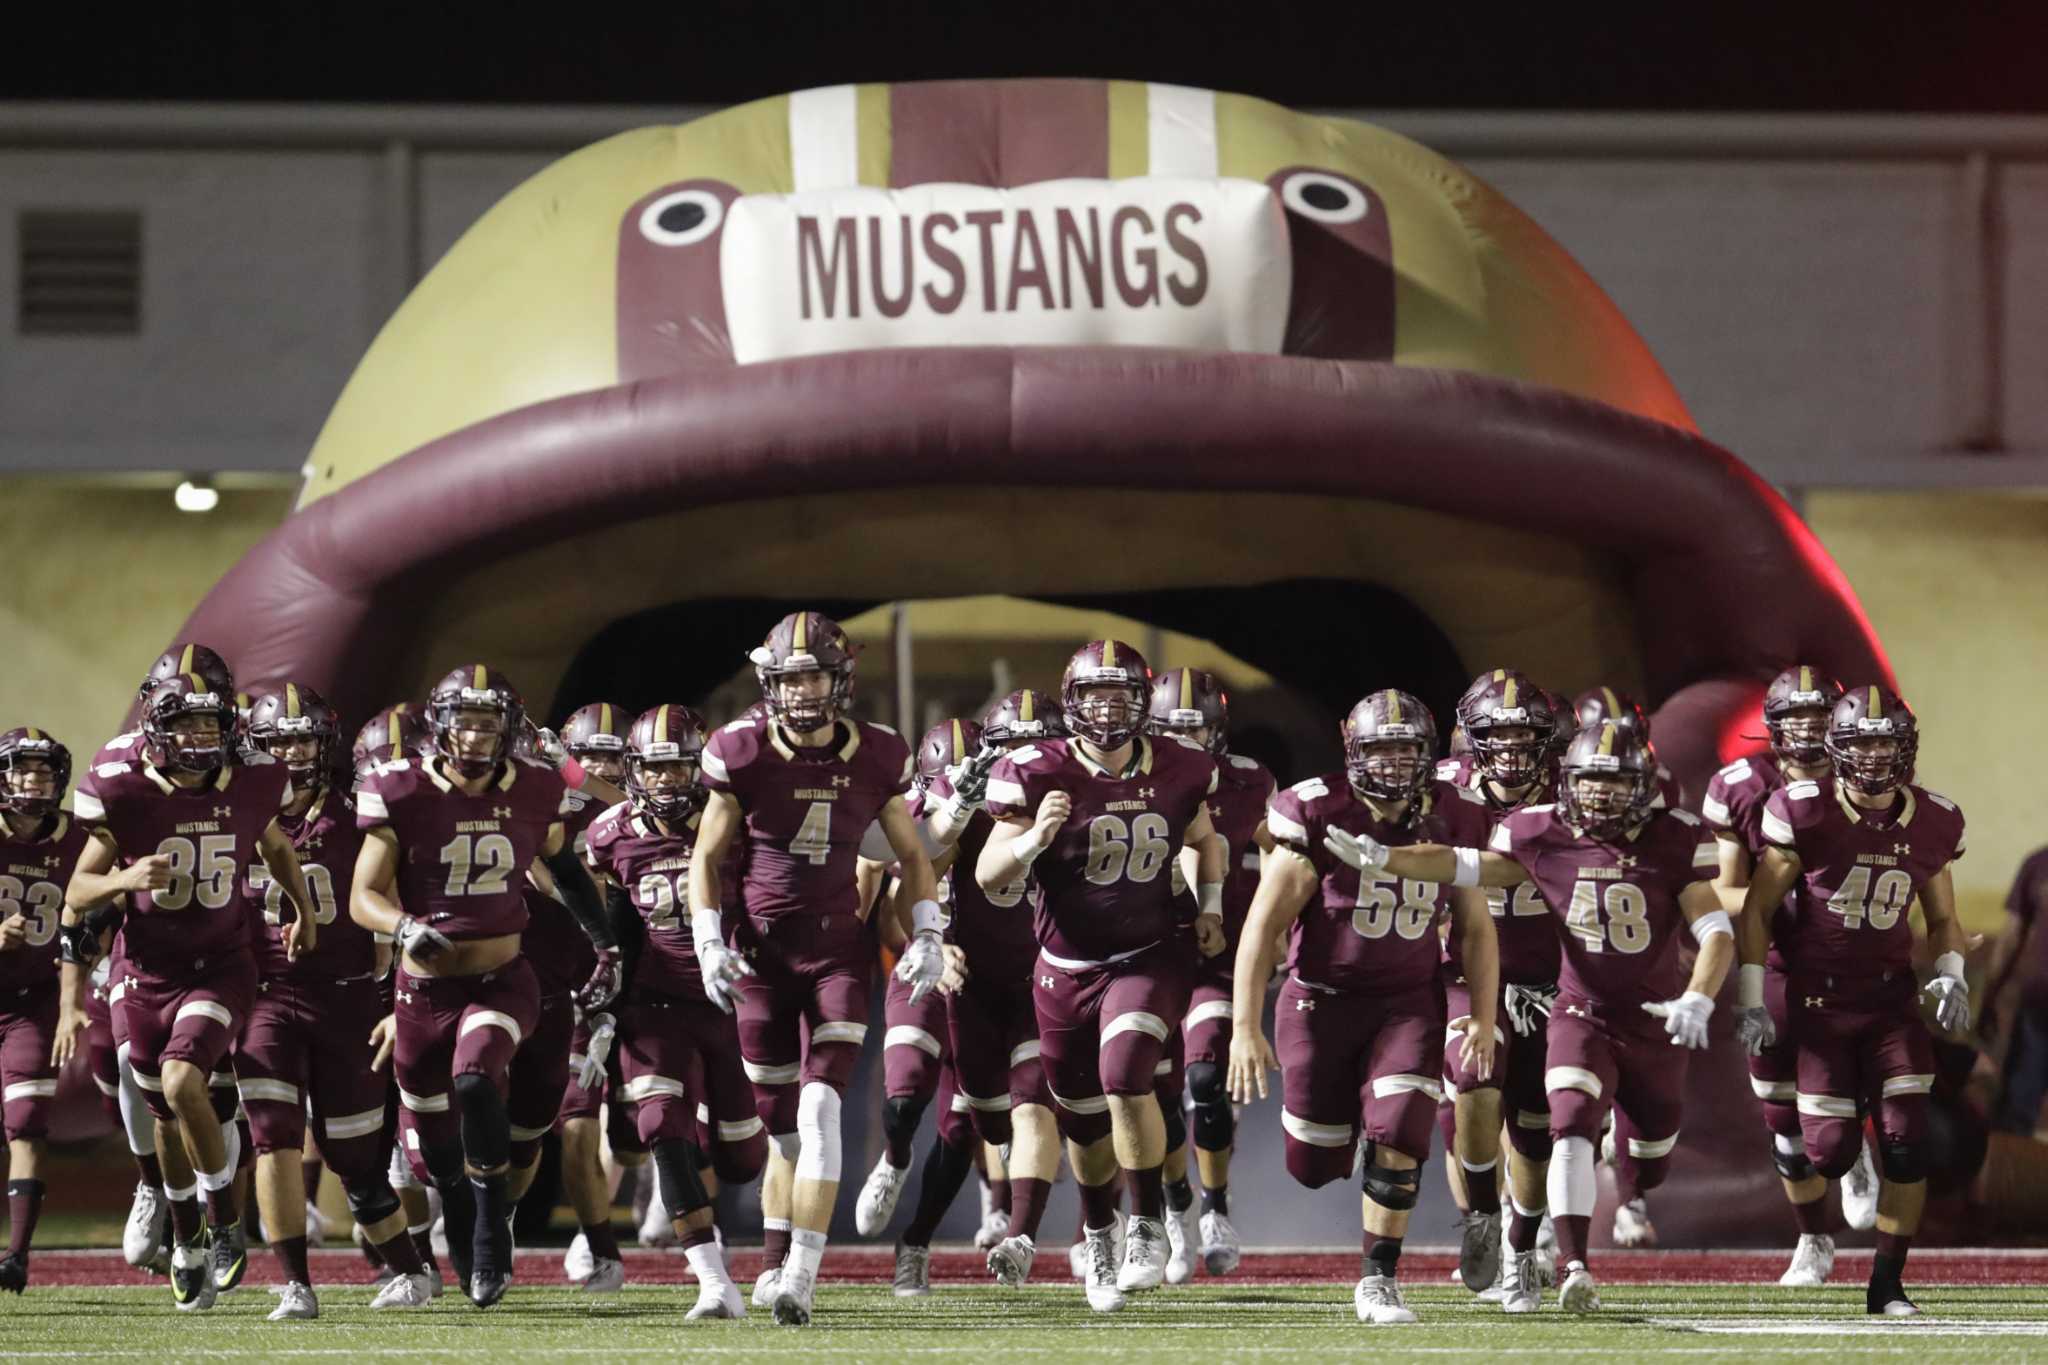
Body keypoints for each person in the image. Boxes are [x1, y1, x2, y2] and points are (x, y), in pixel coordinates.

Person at [1346, 720, 1729, 1314]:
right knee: (1555, 1115)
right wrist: (1387, 858)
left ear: (1644, 787)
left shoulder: (1674, 839)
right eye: (1591, 781)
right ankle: (1538, 1250)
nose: (1601, 795)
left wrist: (1700, 996)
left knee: (1639, 1155)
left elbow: (1716, 930)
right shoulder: (1537, 829)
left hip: (1641, 1011)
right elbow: (1464, 864)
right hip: (1574, 1004)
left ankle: (1552, 1225)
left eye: (1616, 782)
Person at [688, 612, 938, 1327]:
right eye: (790, 676)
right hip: (760, 952)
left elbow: (912, 853)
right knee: (783, 1129)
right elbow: (705, 856)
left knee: (821, 1106)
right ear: (770, 681)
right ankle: (773, 1258)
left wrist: (926, 928)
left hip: (836, 948)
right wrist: (708, 937)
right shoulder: (739, 750)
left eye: (813, 675)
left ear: (839, 680)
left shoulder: (878, 753)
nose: (801, 690)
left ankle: (800, 1273)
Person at [350, 665, 620, 1308]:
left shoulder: (534, 785)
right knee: (438, 1160)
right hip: (422, 993)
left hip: (502, 980)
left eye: (487, 722)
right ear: (439, 726)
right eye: (464, 721)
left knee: (476, 1077)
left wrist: (604, 942)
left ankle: (493, 1242)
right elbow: (363, 895)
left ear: (508, 728)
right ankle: (472, 1234)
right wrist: (403, 925)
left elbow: (566, 868)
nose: (474, 735)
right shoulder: (402, 788)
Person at [1229, 689, 1498, 1325]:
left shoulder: (1453, 814)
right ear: (1354, 753)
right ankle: (1351, 1129)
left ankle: (1379, 1279)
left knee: (1403, 1128)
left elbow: (1476, 928)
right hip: (1321, 1003)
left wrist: (1483, 1017)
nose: (1398, 764)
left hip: (1408, 1000)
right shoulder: (1320, 811)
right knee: (1314, 1165)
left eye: (1409, 751)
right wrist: (1244, 1024)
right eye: (1384, 750)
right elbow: (1262, 926)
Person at [979, 640, 1227, 1313]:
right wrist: (1034, 839)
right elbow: (988, 871)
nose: (1110, 709)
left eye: (1122, 695)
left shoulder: (1180, 767)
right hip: (1063, 969)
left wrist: (1208, 906)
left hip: (1149, 952)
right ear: (1074, 702)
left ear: (1142, 703)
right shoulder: (1034, 770)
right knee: (1084, 1126)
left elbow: (1208, 839)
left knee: (1126, 1073)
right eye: (1096, 696)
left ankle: (1147, 1223)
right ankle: (1100, 1233)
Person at [60, 674, 315, 1312]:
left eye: (210, 725)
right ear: (158, 731)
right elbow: (76, 893)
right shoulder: (125, 789)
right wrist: (127, 876)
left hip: (222, 961)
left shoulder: (253, 779)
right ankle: (186, 1235)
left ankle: (224, 1216)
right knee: (166, 1119)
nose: (202, 738)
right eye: (187, 727)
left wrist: (302, 908)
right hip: (143, 969)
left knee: (181, 1083)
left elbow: (275, 843)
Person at [1735, 685, 1970, 1316]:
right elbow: (1756, 908)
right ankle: (1846, 1163)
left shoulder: (1936, 819)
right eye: (1861, 742)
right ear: (1837, 750)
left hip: (1890, 1001)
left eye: (1885, 742)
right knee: (1829, 1151)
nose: (1873, 756)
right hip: (1820, 1007)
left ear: (1906, 749)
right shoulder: (1803, 810)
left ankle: (1887, 1285)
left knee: (1908, 1141)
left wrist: (1951, 972)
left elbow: (1943, 916)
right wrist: (1753, 997)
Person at [237, 684, 432, 1317]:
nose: (291, 754)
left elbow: (402, 909)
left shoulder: (358, 815)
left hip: (346, 996)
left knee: (354, 1159)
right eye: (277, 742)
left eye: (301, 740)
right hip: (265, 997)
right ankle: (296, 1282)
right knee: (273, 1138)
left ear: (324, 747)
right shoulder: (233, 816)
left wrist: (397, 1002)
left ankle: (410, 1269)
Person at [586, 703, 764, 1319]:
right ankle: (714, 1281)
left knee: (743, 1162)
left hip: (732, 1002)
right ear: (634, 770)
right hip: (655, 1005)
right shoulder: (609, 834)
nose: (664, 781)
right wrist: (603, 993)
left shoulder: (731, 821)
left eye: (677, 767)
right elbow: (608, 920)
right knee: (661, 1127)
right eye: (653, 769)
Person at [1702, 666, 1875, 1286]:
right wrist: (1769, 901)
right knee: (1779, 1113)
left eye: (1818, 717)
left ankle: (1854, 1151)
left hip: (1849, 959)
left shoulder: (1867, 781)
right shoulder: (1740, 788)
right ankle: (1813, 1239)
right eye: (1794, 718)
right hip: (1774, 958)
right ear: (1771, 728)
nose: (1806, 730)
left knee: (1854, 1075)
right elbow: (1724, 888)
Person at [1435, 670, 1562, 1305]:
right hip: (1465, 973)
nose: (1511, 749)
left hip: (1550, 980)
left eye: (1524, 736)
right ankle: (1486, 1220)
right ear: (1472, 739)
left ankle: (1522, 1241)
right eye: (1497, 735)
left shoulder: (1578, 792)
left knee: (1536, 1126)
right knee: (1474, 1088)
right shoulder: (1438, 791)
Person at [1145, 668, 1274, 1279]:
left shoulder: (1251, 782)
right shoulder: (1137, 774)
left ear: (1219, 732)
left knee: (1205, 1076)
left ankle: (1215, 1207)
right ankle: (1174, 1206)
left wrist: (1279, 926)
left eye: (1196, 730)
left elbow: (1284, 850)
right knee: (1156, 1090)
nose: (1187, 742)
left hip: (1218, 955)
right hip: (1147, 951)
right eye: (1174, 731)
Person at [0, 729, 91, 1293]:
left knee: (27, 1125)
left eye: (43, 771)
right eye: (22, 770)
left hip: (31, 1000)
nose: (34, 781)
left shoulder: (79, 840)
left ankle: (14, 1257)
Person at [1983, 842, 2048, 1136]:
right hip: (2039, 1008)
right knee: (2017, 1109)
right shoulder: (2039, 863)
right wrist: (1989, 996)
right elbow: (2011, 936)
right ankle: (2008, 1178)